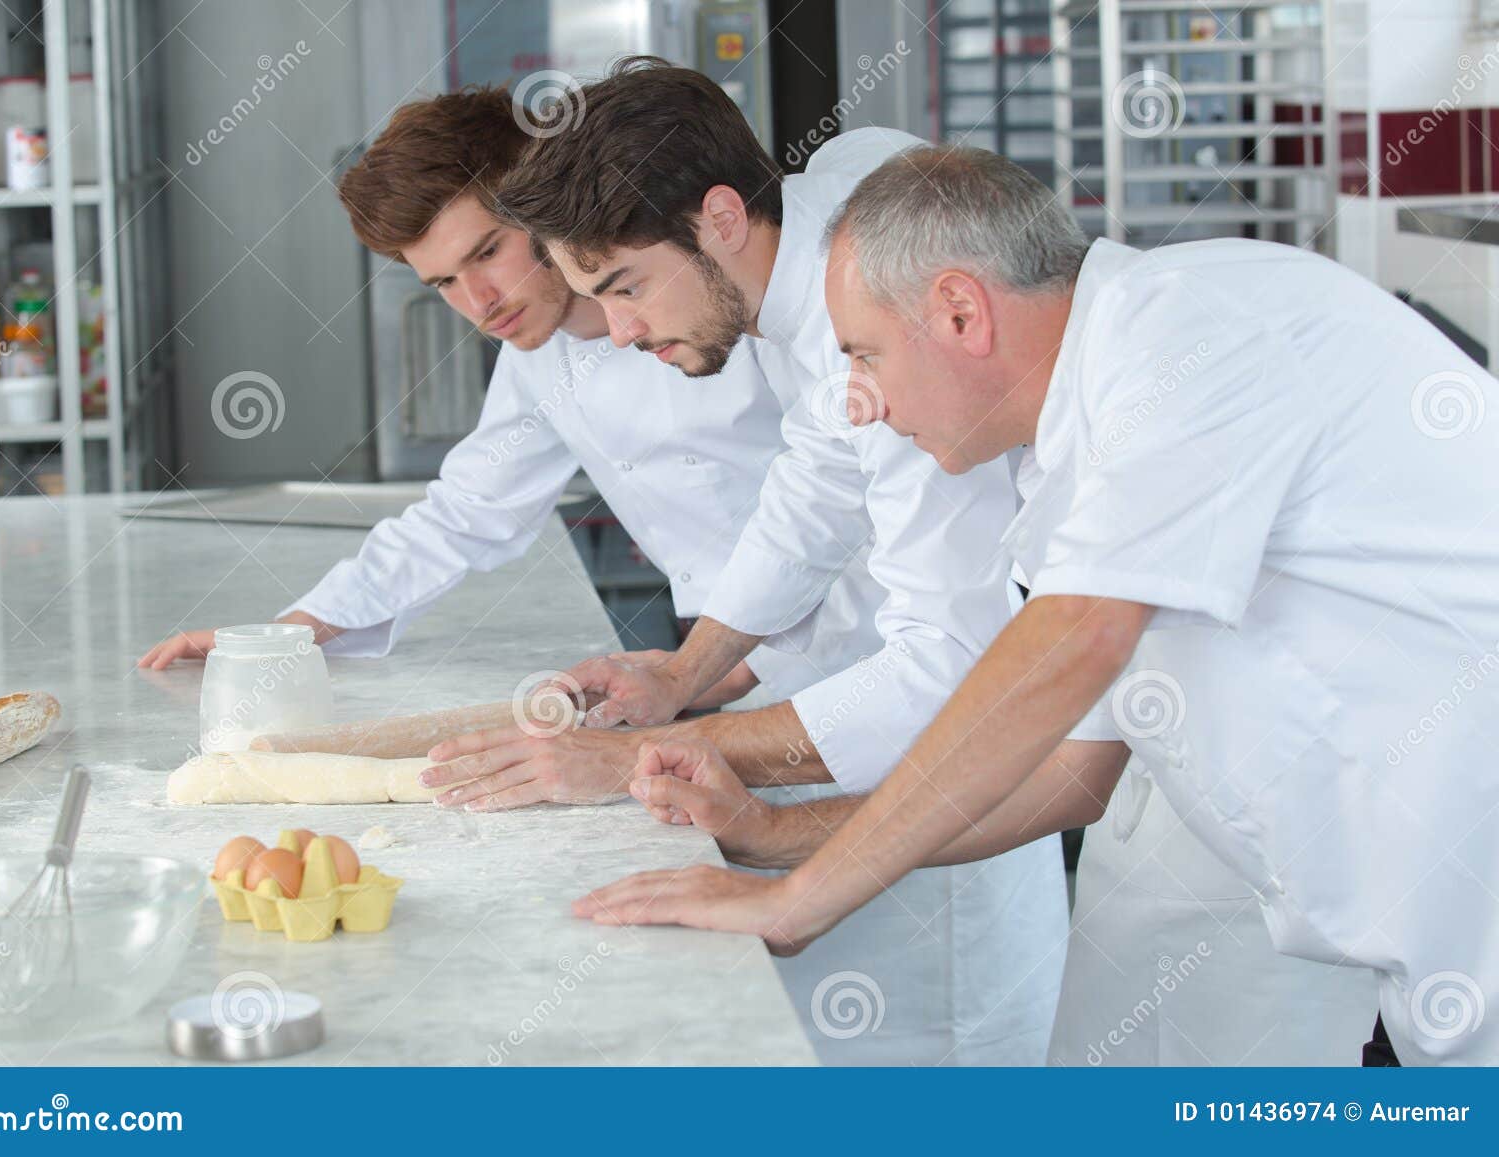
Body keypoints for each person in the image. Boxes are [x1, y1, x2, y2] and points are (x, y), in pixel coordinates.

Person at [577, 143, 1499, 1067]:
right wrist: (775, 838)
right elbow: (1071, 770)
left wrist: (804, 898)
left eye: (863, 356)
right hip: (1422, 951)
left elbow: (1075, 640)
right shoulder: (1072, 449)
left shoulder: (1186, 331)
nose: (860, 406)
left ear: (960, 311)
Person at [430, 59, 1070, 1066]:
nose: (622, 330)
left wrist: (650, 755)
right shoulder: (804, 256)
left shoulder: (880, 307)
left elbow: (948, 668)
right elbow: (812, 488)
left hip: (1001, 789)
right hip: (956, 753)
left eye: (627, 287)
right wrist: (684, 673)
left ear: (720, 214)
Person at [137, 87, 879, 747]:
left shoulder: (724, 295)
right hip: (728, 668)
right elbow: (465, 512)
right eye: (443, 284)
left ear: (538, 207)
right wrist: (288, 636)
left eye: (488, 252)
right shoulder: (540, 352)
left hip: (867, 656)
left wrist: (723, 669)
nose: (480, 303)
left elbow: (838, 505)